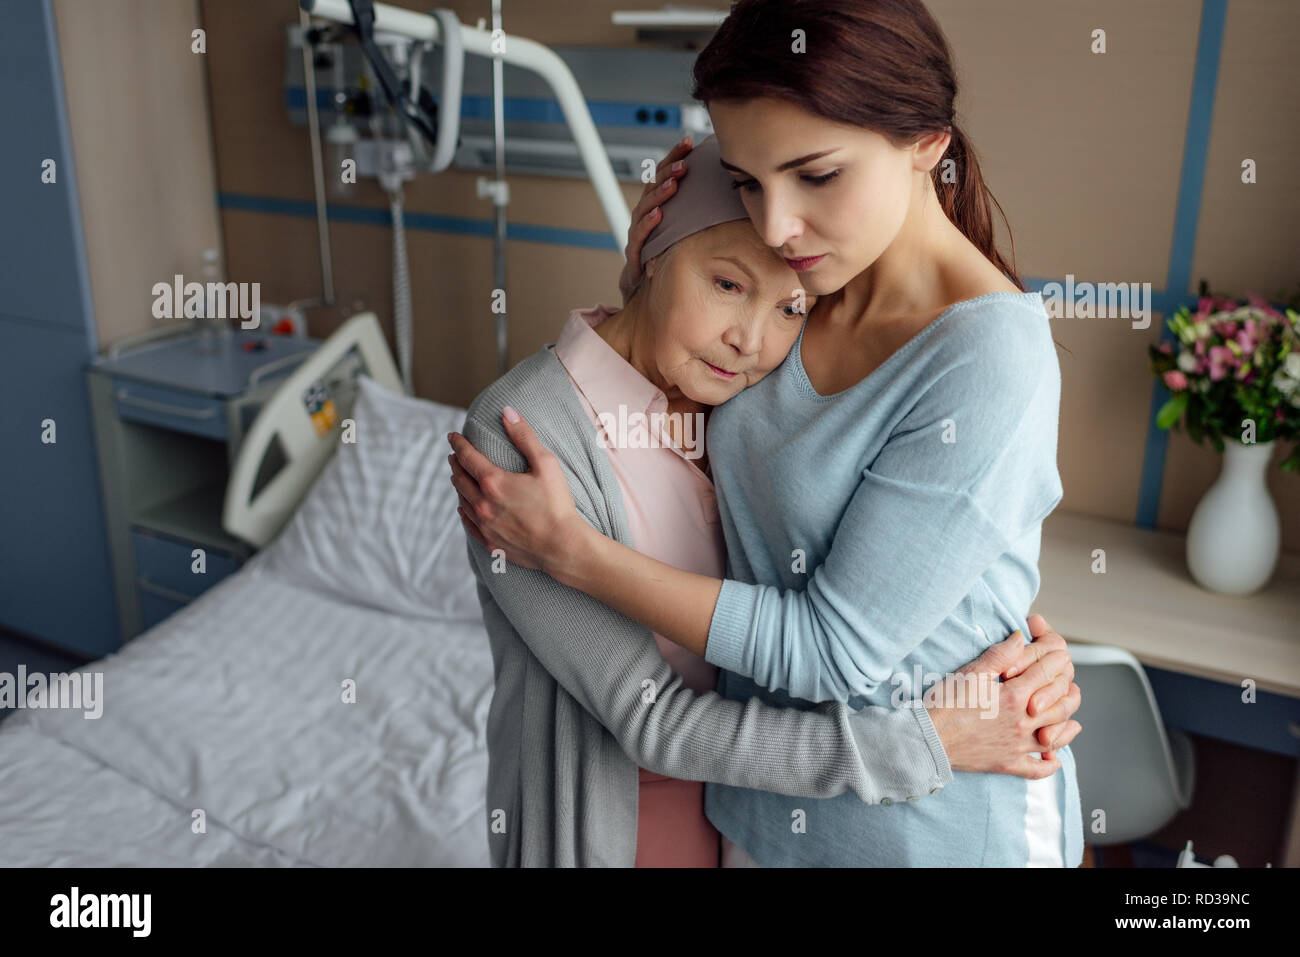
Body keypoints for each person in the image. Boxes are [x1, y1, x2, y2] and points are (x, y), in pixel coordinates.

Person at [452, 128, 1080, 867]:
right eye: (725, 285)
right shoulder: (518, 434)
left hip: (753, 813)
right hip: (624, 825)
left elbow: (850, 549)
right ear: (653, 254)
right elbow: (655, 723)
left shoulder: (733, 402)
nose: (749, 338)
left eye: (791, 308)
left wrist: (1002, 627)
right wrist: (923, 741)